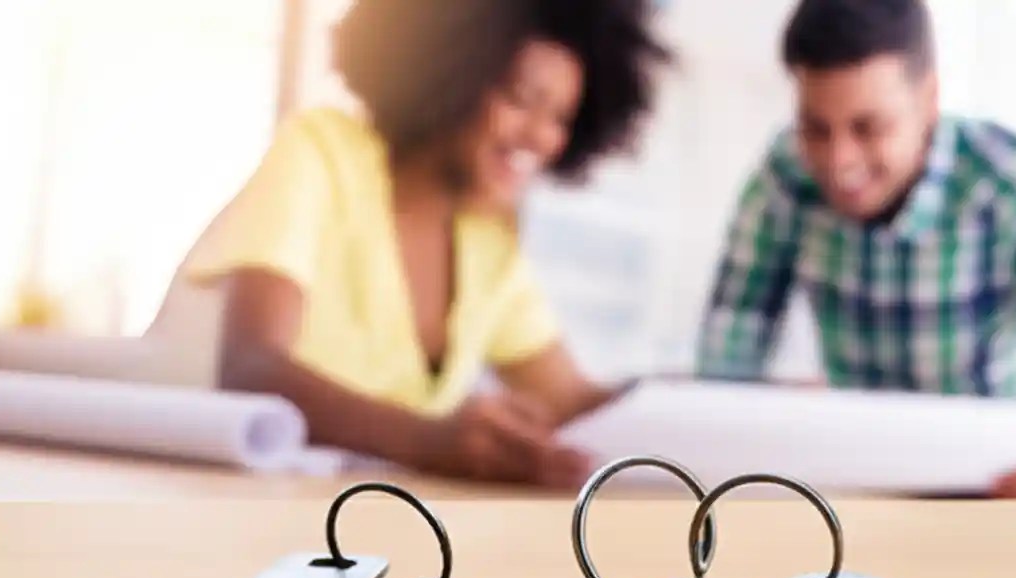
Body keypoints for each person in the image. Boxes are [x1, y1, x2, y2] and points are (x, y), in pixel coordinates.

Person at [186, 0, 667, 485]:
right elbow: (249, 368)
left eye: (561, 118)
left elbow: (573, 403)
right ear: (453, 77)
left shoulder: (488, 238)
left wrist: (692, 405)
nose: (542, 136)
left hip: (374, 534)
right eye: (521, 100)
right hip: (240, 516)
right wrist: (431, 441)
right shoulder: (321, 153)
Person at [697, 0, 1016, 498]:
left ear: (929, 98)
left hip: (1001, 504)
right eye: (816, 128)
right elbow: (722, 376)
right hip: (851, 499)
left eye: (869, 128)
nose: (839, 161)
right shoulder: (786, 175)